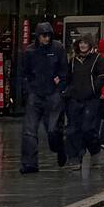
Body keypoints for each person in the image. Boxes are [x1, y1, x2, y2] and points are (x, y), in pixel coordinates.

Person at [20, 21, 69, 174]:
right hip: (36, 93)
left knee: (53, 130)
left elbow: (64, 71)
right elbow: (24, 73)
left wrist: (60, 87)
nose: (46, 39)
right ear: (38, 36)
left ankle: (59, 147)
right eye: (43, 36)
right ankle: (30, 163)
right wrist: (28, 90)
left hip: (52, 93)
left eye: (48, 36)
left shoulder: (58, 48)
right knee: (29, 130)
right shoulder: (30, 52)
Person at [64, 34, 104, 168]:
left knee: (88, 128)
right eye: (80, 43)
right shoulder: (72, 61)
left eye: (85, 43)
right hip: (74, 99)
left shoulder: (97, 59)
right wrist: (67, 92)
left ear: (90, 45)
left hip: (91, 99)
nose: (82, 45)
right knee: (72, 129)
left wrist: (94, 89)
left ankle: (95, 150)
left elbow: (103, 75)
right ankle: (74, 157)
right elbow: (67, 78)